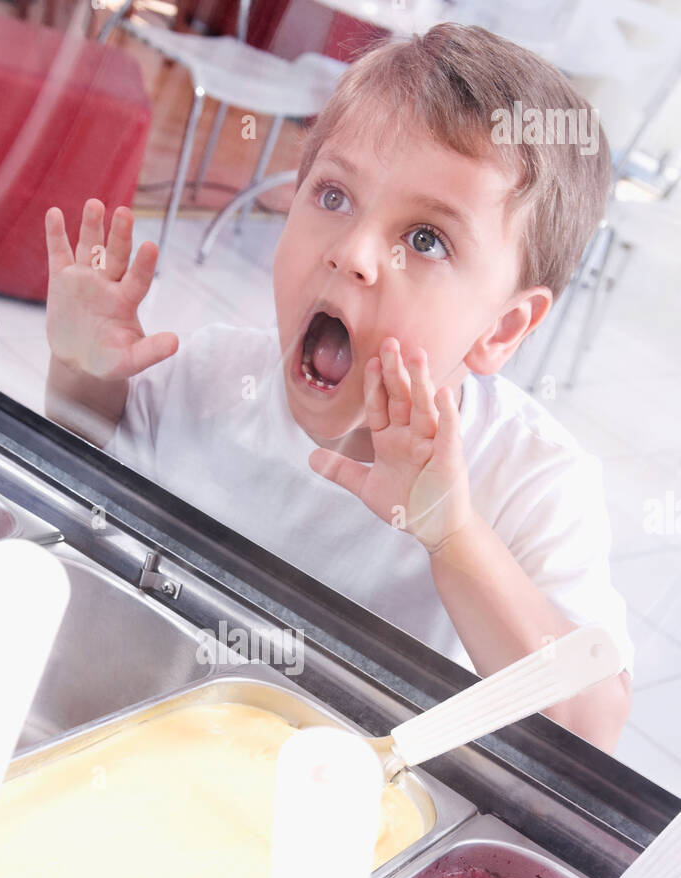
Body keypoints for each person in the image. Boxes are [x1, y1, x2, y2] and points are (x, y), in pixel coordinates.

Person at [44, 23, 633, 752]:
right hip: (136, 736)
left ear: (503, 330)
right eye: (333, 195)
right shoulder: (213, 372)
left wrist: (452, 535)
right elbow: (83, 466)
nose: (353, 253)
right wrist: (81, 373)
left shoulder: (528, 478)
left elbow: (591, 726)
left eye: (425, 239)